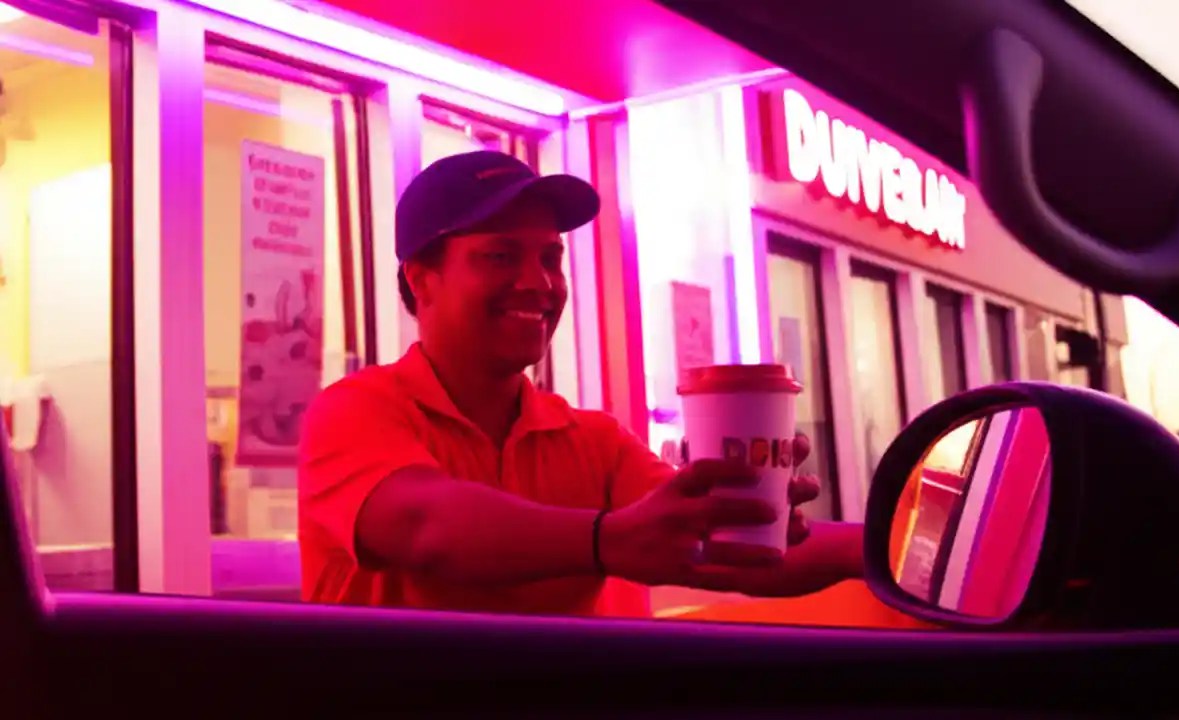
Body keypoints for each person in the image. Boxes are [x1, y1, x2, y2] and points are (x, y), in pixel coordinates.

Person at [298, 150, 864, 616]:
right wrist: (608, 540)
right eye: (500, 255)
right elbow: (427, 527)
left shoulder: (596, 442)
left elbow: (723, 552)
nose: (539, 282)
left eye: (551, 258)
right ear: (422, 279)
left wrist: (861, 542)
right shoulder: (353, 411)